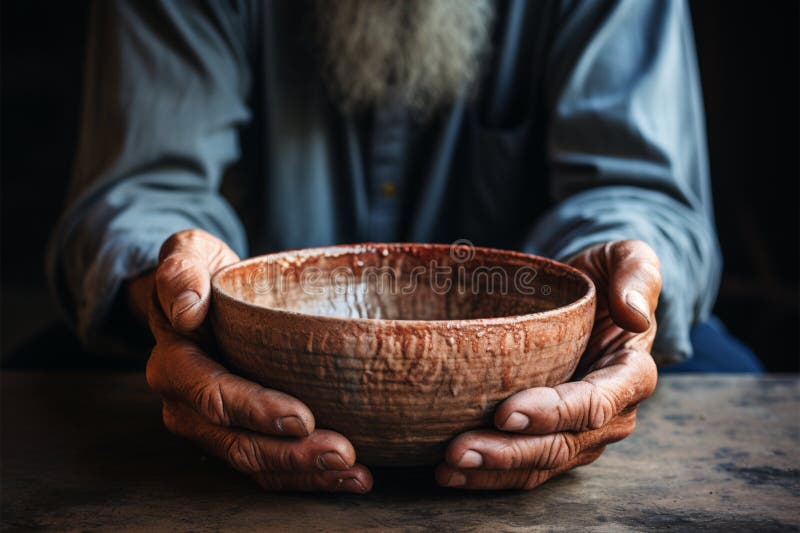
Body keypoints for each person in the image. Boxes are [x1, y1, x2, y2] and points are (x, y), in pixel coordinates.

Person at [47, 0, 759, 493]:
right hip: (245, 369)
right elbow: (143, 191)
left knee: (737, 386)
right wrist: (168, 285)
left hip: (543, 373)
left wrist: (619, 285)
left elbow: (638, 192)